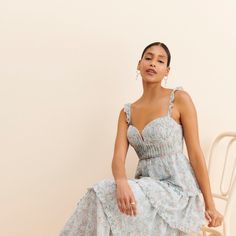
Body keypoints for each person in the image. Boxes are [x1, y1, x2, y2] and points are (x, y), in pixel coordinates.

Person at [58, 42, 223, 236]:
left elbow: (195, 154)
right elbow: (118, 158)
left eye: (160, 61)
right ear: (139, 64)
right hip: (146, 186)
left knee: (103, 193)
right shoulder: (126, 112)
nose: (153, 63)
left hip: (178, 191)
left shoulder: (179, 99)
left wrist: (210, 204)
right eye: (148, 58)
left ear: (167, 71)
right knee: (99, 193)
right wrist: (121, 183)